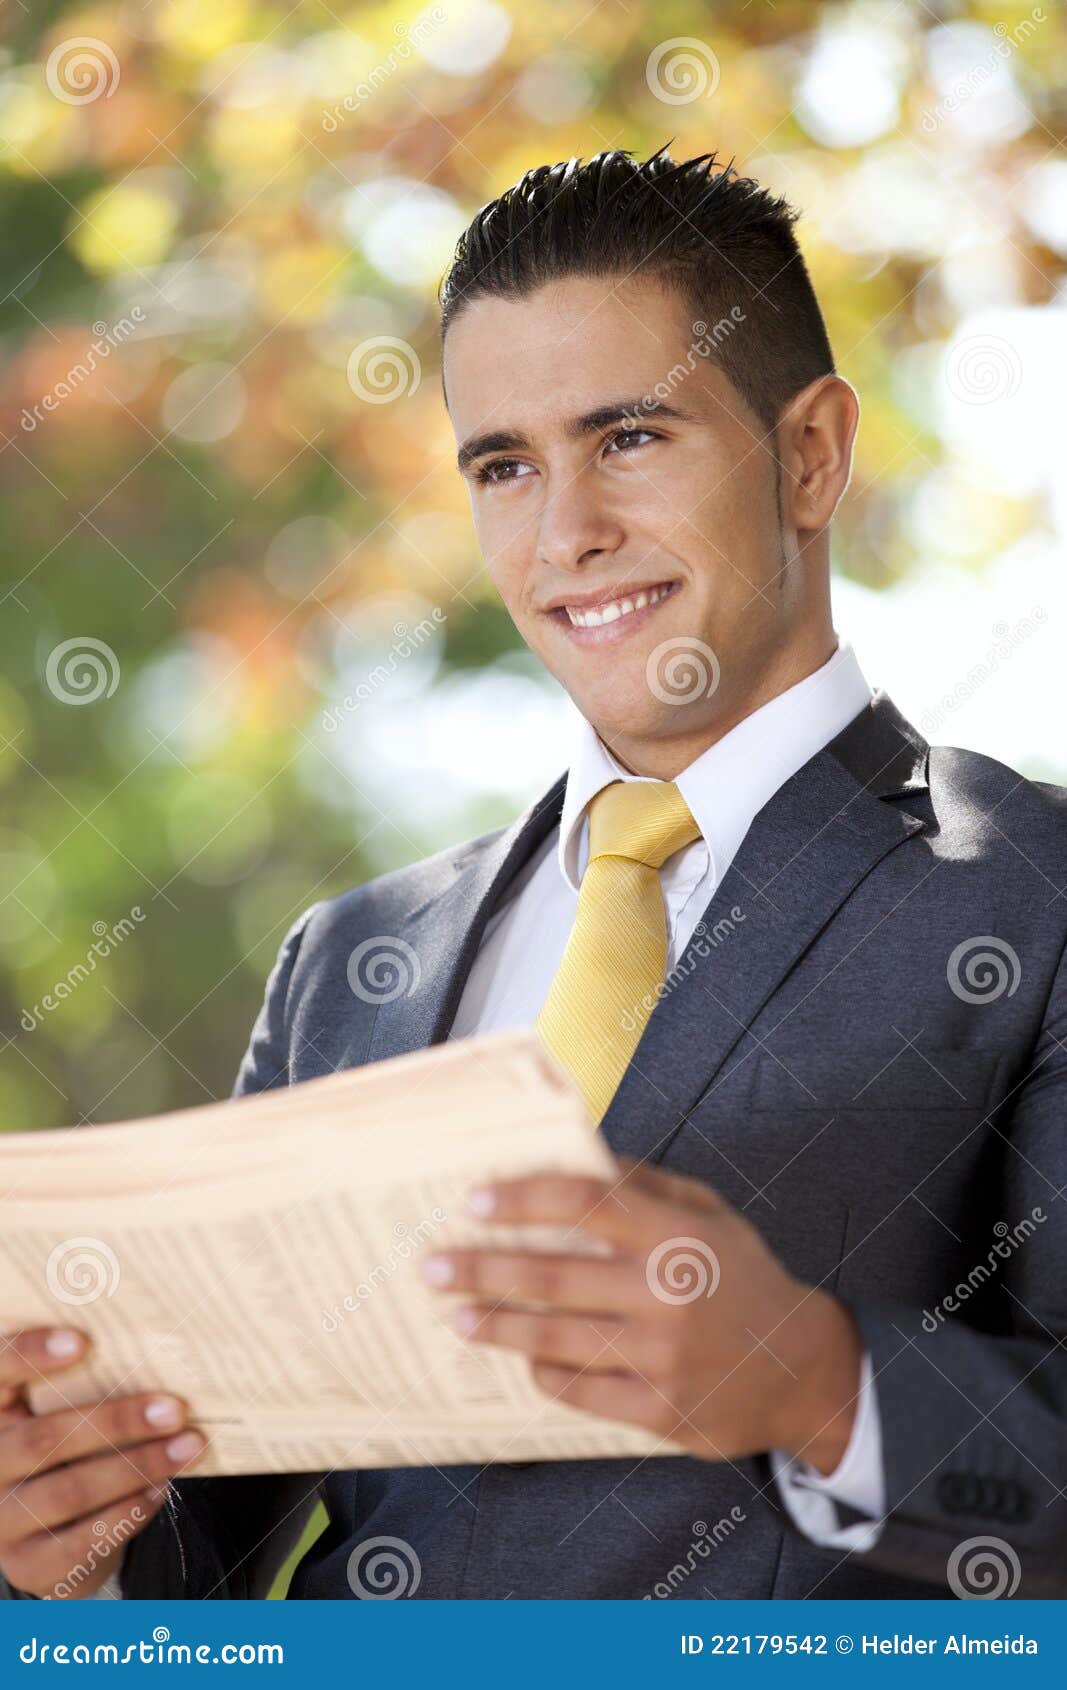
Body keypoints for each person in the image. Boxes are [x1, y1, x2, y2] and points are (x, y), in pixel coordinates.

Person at [3, 148, 1066, 1602]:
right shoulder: (353, 958)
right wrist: (65, 1535)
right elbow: (194, 1555)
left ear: (811, 452)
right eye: (504, 464)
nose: (564, 534)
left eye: (629, 437)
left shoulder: (1034, 897)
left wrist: (825, 1386)